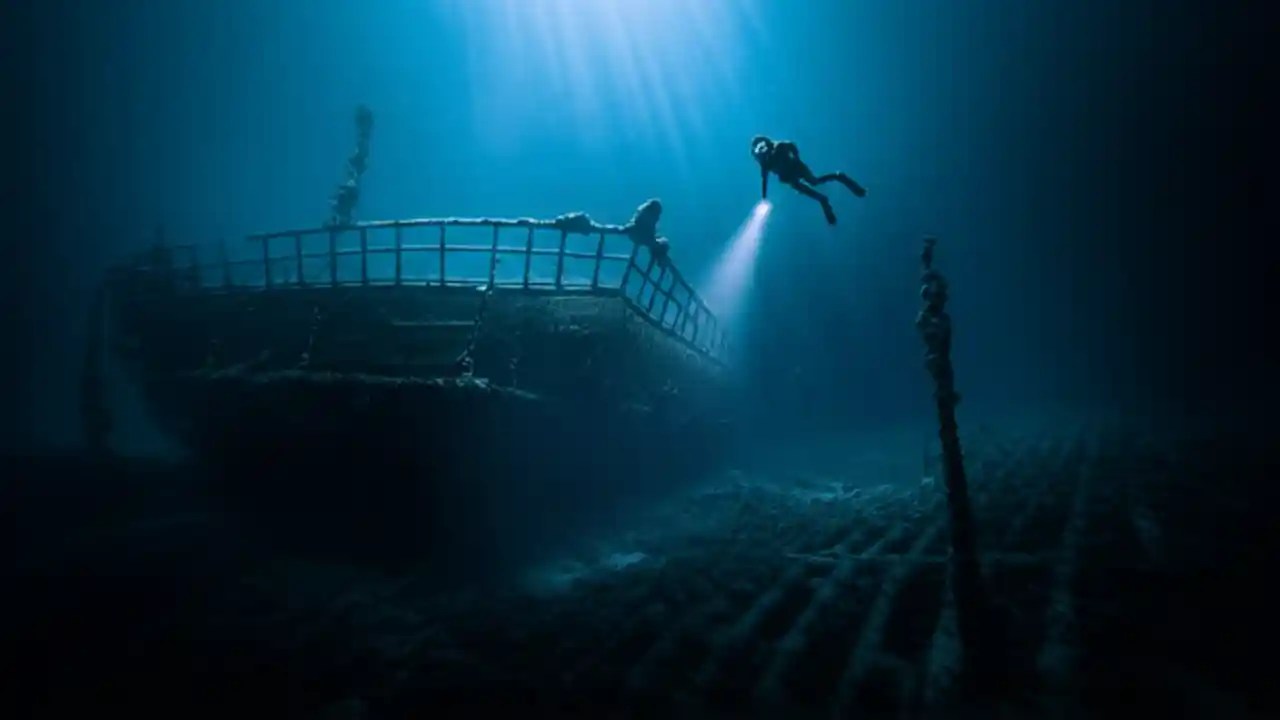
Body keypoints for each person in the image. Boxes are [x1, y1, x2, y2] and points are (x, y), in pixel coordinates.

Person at [751, 135, 866, 225]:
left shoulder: (778, 147)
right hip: (789, 176)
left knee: (814, 182)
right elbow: (764, 180)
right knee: (802, 187)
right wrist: (764, 197)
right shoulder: (765, 165)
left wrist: (796, 158)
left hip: (797, 168)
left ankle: (838, 176)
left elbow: (791, 145)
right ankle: (822, 200)